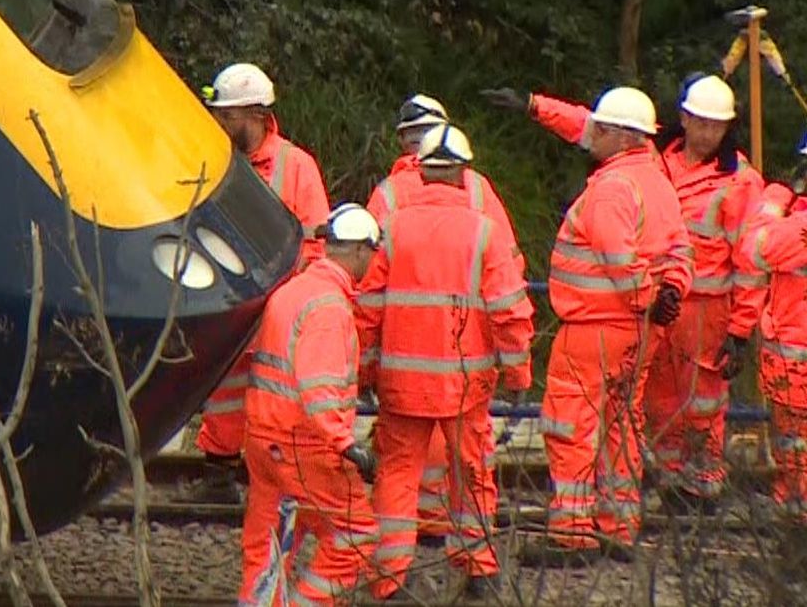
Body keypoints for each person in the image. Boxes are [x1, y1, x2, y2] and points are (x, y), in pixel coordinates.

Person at [489, 76, 761, 508]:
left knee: (702, 400)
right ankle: (665, 479)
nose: (708, 133)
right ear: (684, 119)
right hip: (651, 304)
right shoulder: (657, 160)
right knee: (648, 399)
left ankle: (703, 480)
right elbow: (596, 127)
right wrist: (535, 105)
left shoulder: (739, 181)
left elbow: (750, 259)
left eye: (717, 125)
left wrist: (741, 328)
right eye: (701, 122)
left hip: (699, 306)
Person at [488, 86, 693, 564]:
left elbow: (619, 259)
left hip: (595, 327)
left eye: (601, 128)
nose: (590, 134)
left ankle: (572, 533)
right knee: (622, 424)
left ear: (622, 137)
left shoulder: (611, 190)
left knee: (571, 426)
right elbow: (680, 250)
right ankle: (618, 523)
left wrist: (646, 296)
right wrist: (669, 295)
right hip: (639, 333)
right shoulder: (657, 178)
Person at [356, 125, 534, 601]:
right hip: (465, 386)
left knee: (395, 476)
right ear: (461, 174)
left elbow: (367, 310)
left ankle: (389, 578)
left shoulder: (391, 230)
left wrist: (364, 372)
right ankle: (478, 570)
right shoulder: (485, 233)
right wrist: (518, 374)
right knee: (472, 474)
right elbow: (510, 310)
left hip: (401, 385)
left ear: (421, 171)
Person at [242, 204, 380, 607]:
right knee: (356, 535)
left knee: (269, 543)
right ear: (358, 251)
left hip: (264, 437)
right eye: (373, 252)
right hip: (304, 444)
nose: (374, 262)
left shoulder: (292, 291)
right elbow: (317, 387)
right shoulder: (329, 308)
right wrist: (345, 445)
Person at [198, 62, 332, 475]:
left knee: (273, 394)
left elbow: (316, 243)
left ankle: (268, 470)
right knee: (225, 387)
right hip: (226, 299)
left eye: (227, 114)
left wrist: (292, 303)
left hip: (277, 308)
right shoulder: (211, 159)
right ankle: (219, 464)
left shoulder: (296, 167)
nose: (218, 121)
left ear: (256, 115)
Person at [736, 136, 807, 558]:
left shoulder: (797, 224)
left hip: (797, 360)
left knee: (798, 450)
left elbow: (754, 250)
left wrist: (774, 200)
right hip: (792, 357)